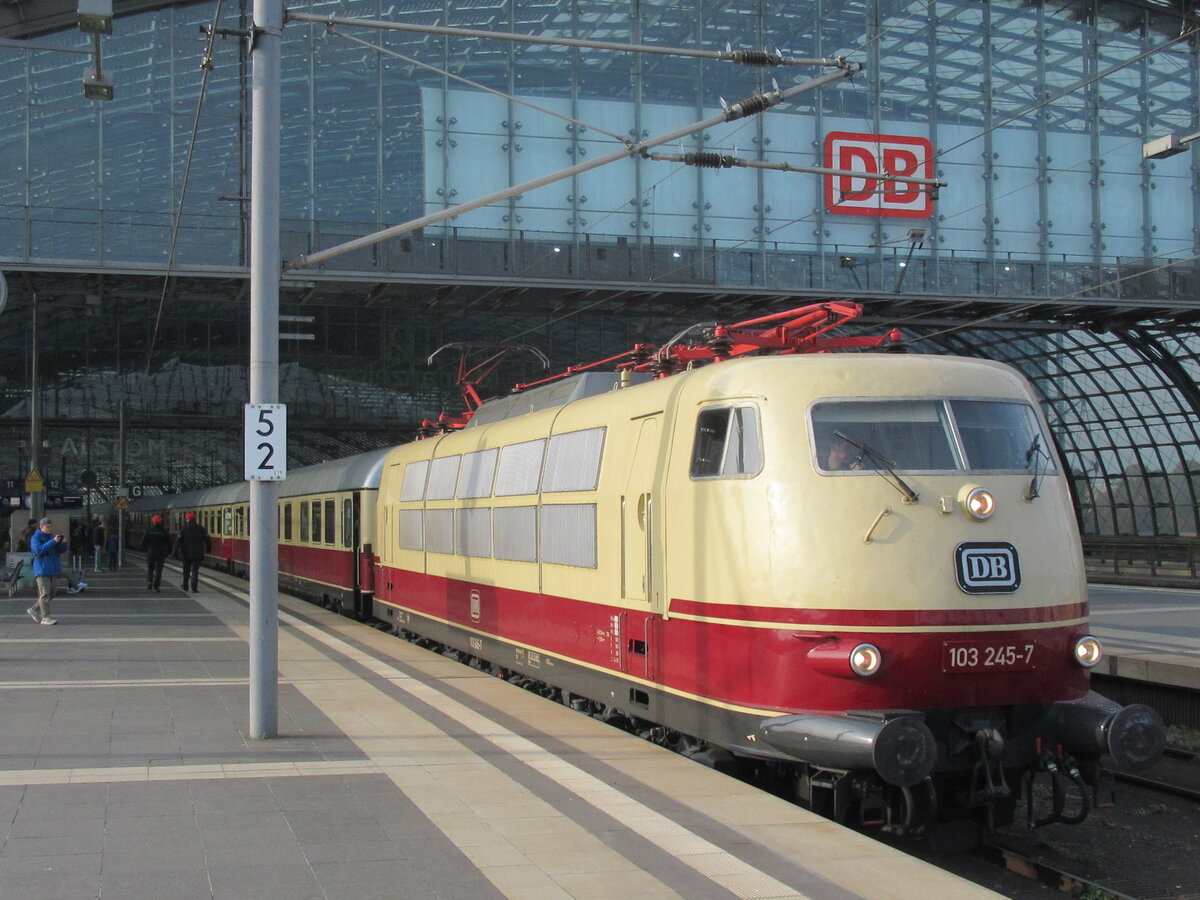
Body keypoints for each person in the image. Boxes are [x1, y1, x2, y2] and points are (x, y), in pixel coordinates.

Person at [28, 518, 68, 625]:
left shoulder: (52, 537)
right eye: (47, 527)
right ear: (41, 527)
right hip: (42, 569)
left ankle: (34, 609)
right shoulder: (35, 538)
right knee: (45, 593)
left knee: (52, 593)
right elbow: (39, 550)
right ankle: (45, 617)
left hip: (54, 569)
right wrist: (53, 541)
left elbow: (61, 550)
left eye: (51, 527)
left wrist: (63, 543)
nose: (50, 529)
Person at [176, 512, 211, 593]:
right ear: (194, 519)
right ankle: (194, 588)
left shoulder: (183, 529)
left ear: (187, 519)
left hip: (186, 554)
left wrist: (174, 552)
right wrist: (208, 550)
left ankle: (185, 586)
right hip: (198, 553)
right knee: (195, 571)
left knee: (186, 571)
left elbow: (178, 541)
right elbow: (208, 540)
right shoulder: (201, 528)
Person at [141, 515, 172, 592]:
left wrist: (146, 549)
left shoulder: (149, 531)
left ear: (153, 522)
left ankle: (149, 581)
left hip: (151, 552)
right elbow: (169, 543)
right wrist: (169, 552)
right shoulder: (163, 531)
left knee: (150, 568)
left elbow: (142, 542)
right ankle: (156, 586)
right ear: (161, 522)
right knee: (158, 570)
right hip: (160, 553)